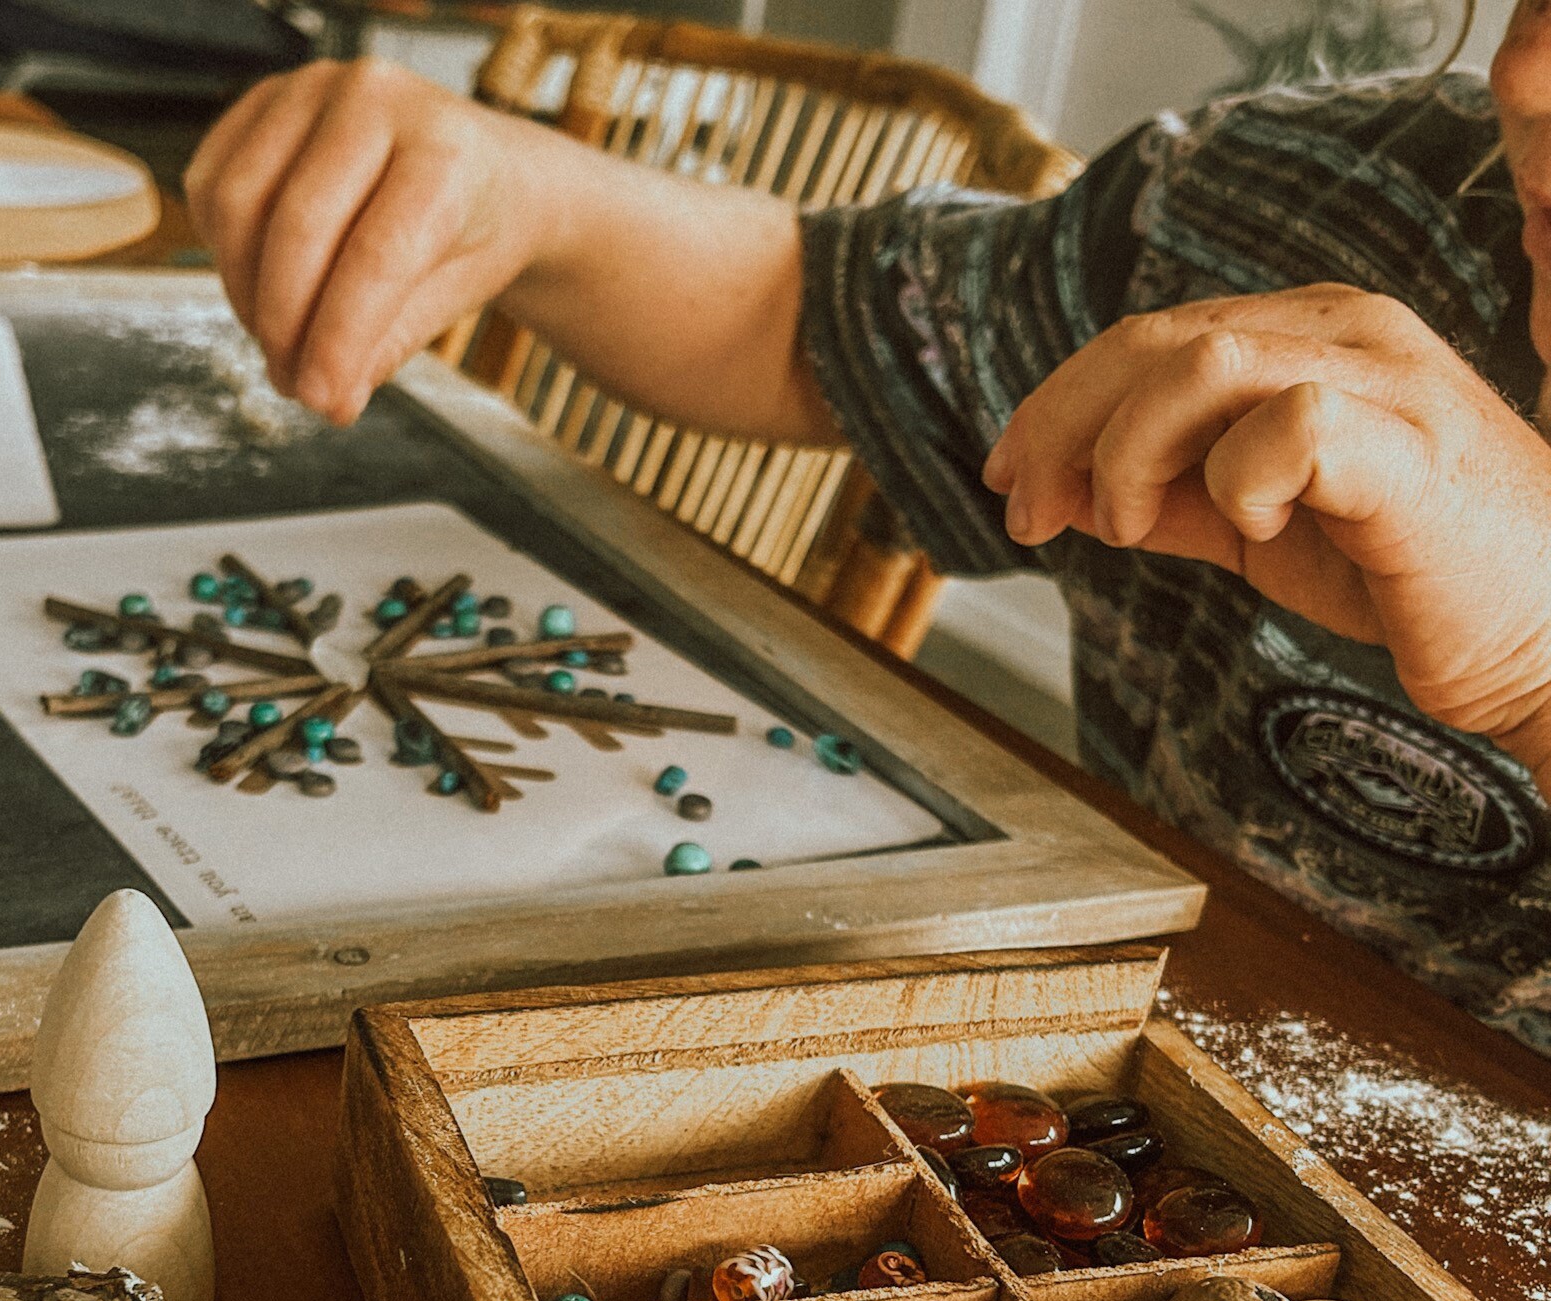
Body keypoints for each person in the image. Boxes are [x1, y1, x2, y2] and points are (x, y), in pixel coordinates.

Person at [185, 3, 1551, 1054]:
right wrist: (527, 196)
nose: (1531, 79)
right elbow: (808, 316)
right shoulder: (1311, 202)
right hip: (1090, 1107)